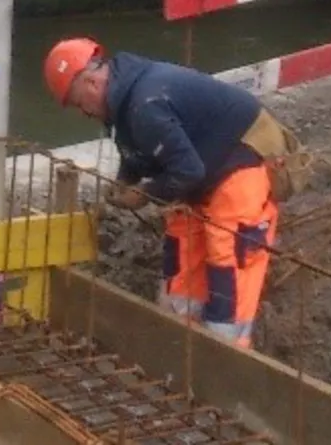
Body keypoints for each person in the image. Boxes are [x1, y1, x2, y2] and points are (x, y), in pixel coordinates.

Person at [44, 38, 290, 346]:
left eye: (80, 103)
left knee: (228, 259)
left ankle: (226, 355)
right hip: (201, 165)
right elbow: (138, 146)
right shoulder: (124, 99)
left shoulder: (145, 104)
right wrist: (126, 178)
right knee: (183, 245)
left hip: (239, 164)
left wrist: (144, 193)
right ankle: (178, 341)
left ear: (92, 82)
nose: (84, 113)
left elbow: (187, 171)